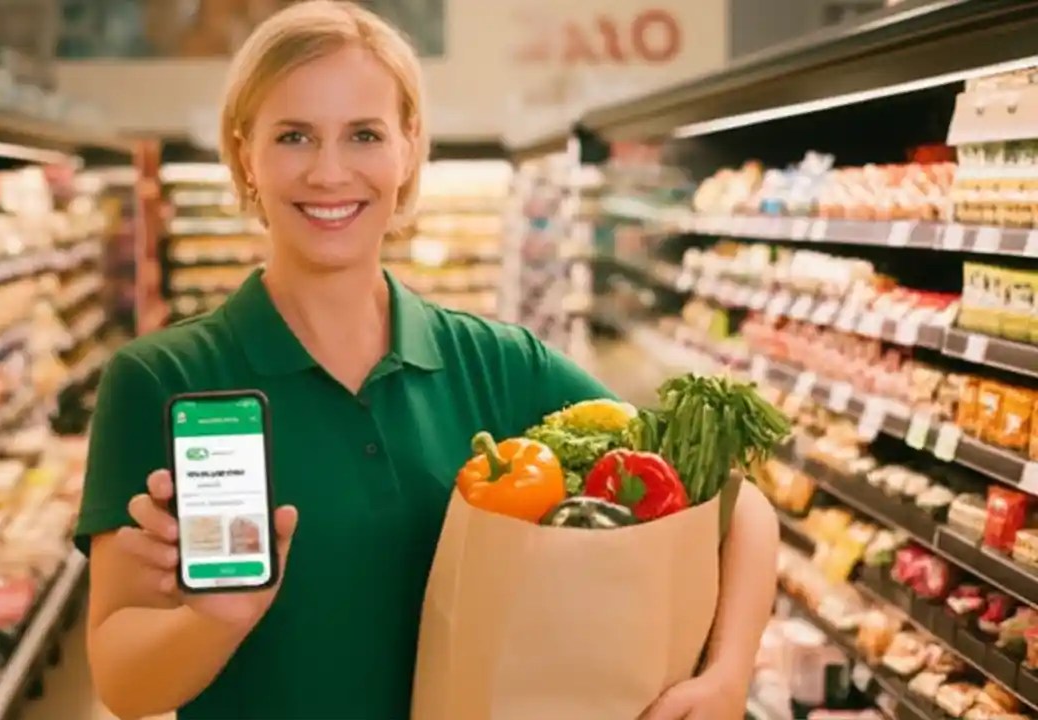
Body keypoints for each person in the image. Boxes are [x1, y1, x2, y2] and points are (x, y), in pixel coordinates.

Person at [77, 2, 779, 718]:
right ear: (244, 155)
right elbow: (124, 685)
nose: (329, 171)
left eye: (364, 135)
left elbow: (737, 504)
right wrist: (213, 620)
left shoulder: (499, 366)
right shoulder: (164, 380)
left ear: (408, 148)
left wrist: (727, 675)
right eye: (293, 136)